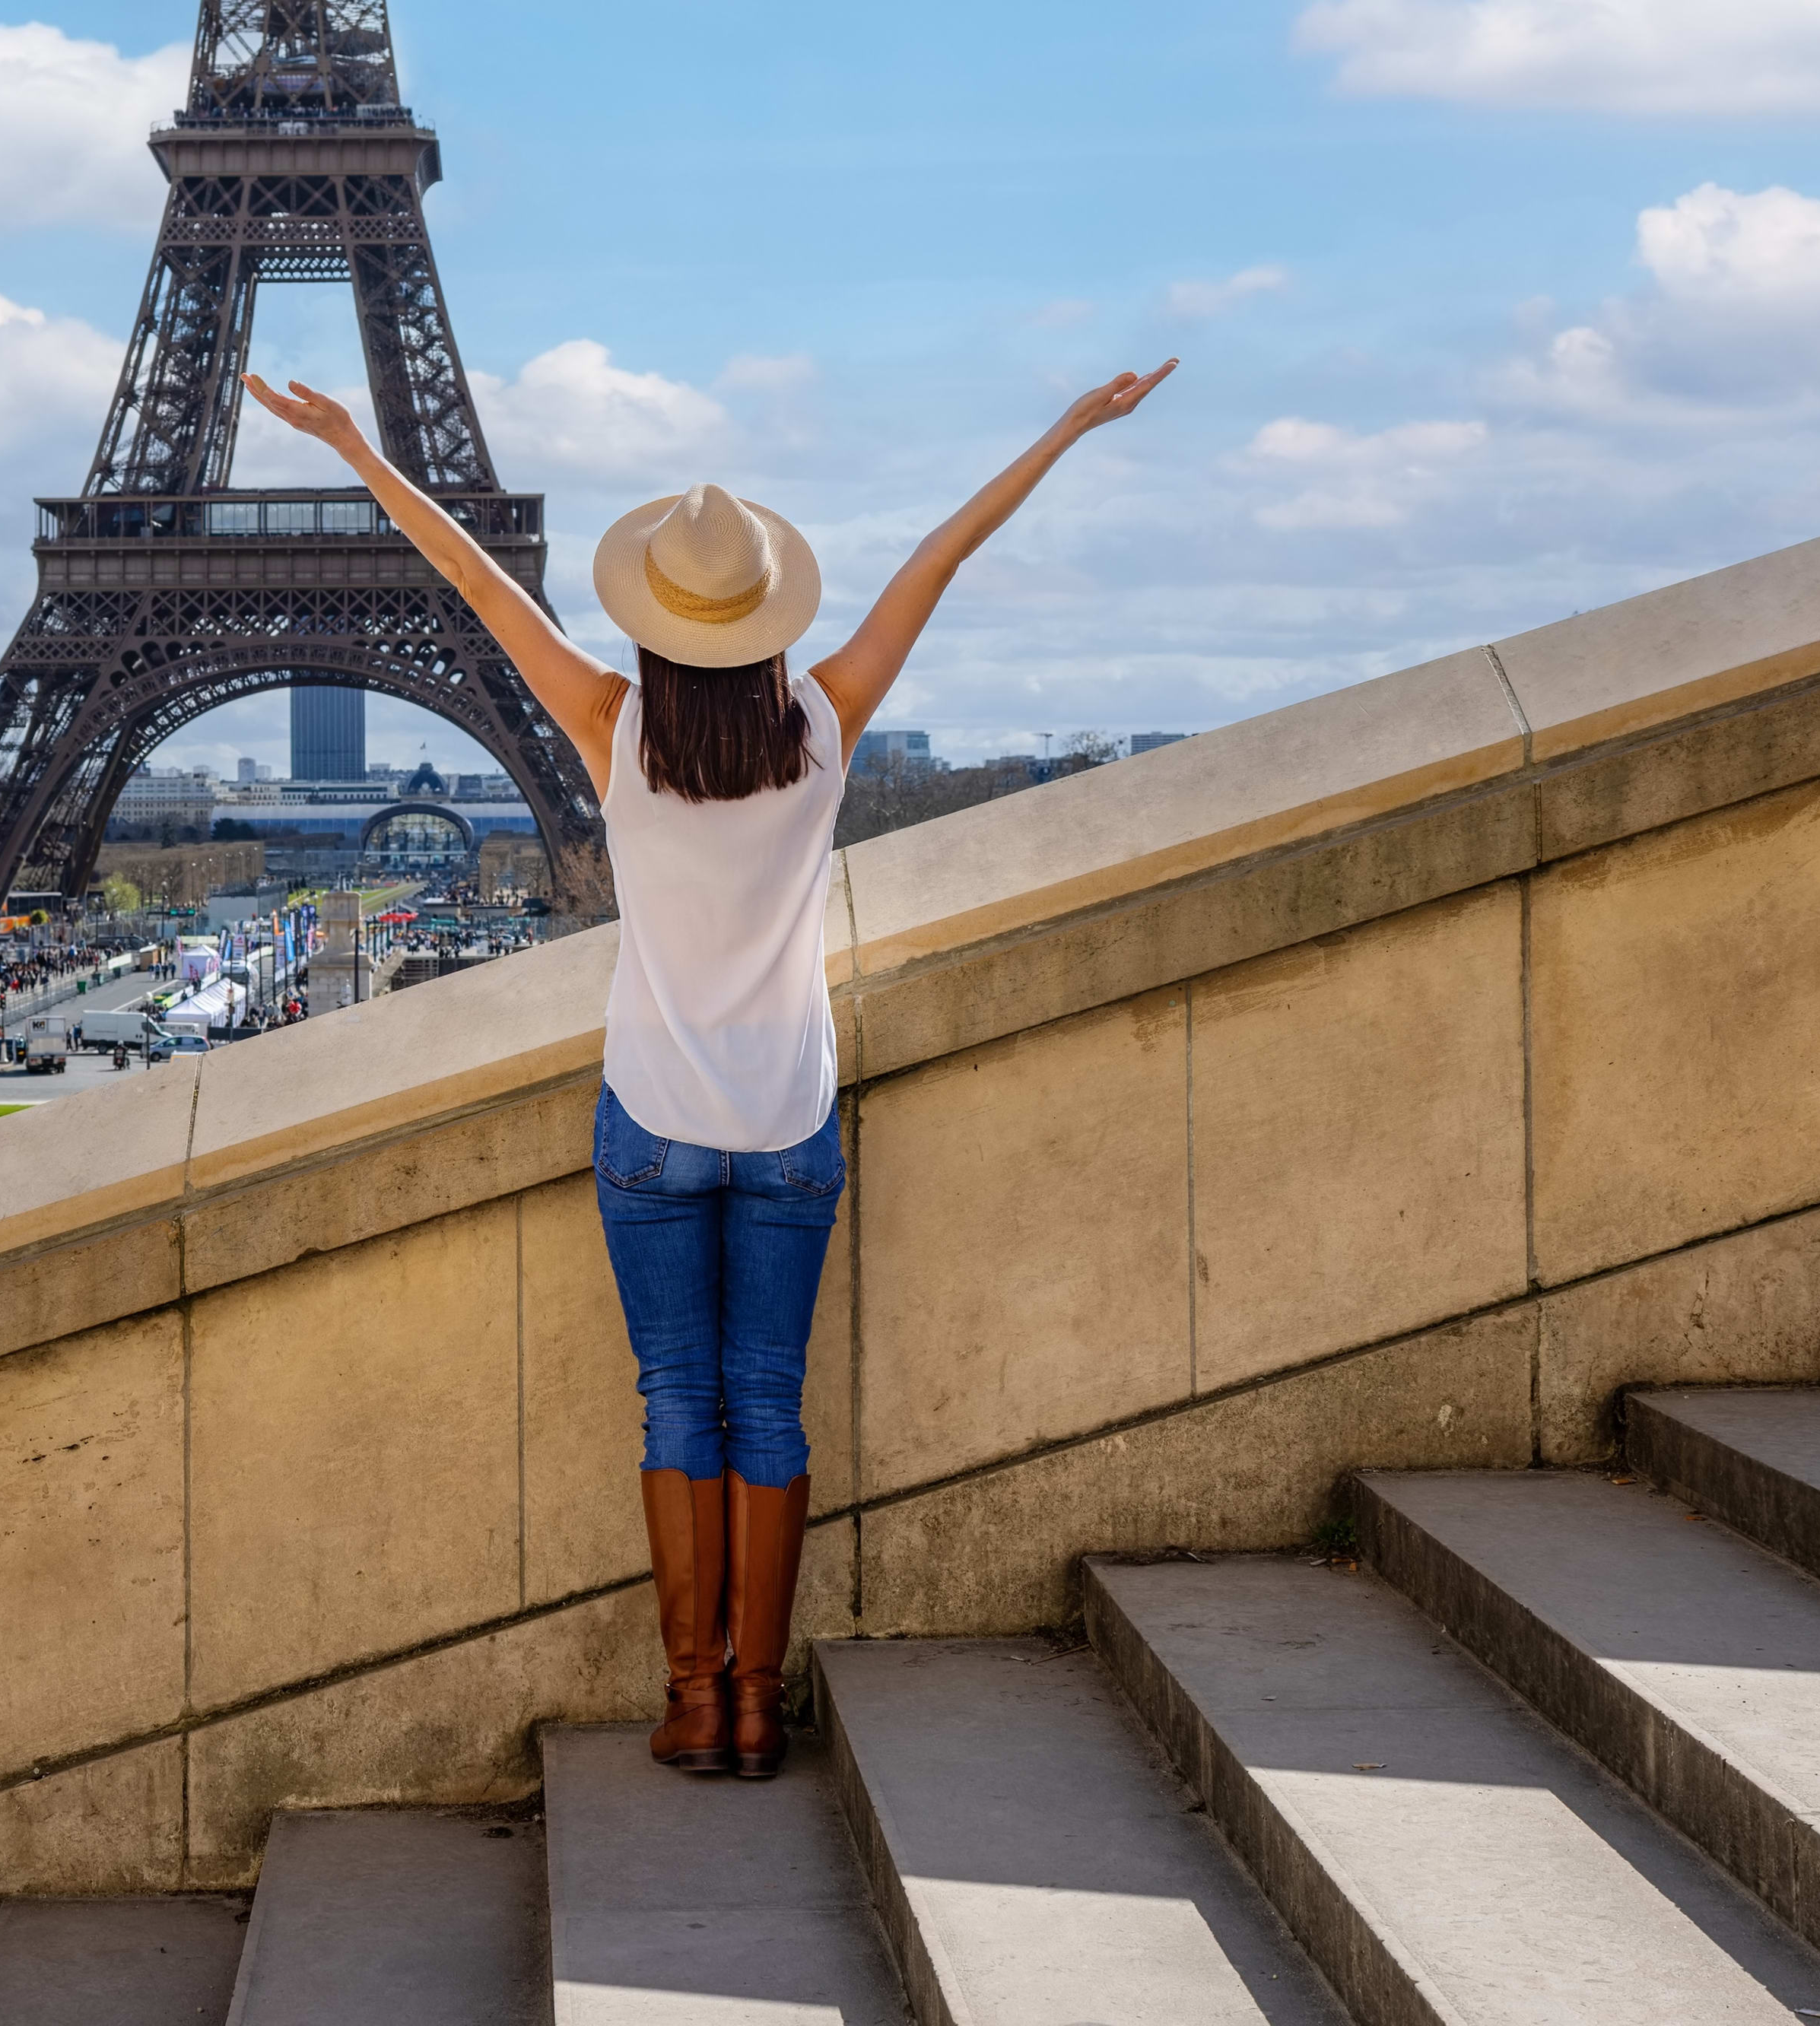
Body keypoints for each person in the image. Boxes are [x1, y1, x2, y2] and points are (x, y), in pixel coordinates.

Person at [246, 357, 1174, 1780]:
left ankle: (692, 1700)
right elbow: (940, 556)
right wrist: (1068, 426)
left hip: (655, 1121)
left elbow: (476, 585)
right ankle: (757, 1701)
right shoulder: (826, 724)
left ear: (656, 621)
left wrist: (358, 451)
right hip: (789, 1120)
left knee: (677, 1396)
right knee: (770, 1402)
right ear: (770, 621)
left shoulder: (614, 726)